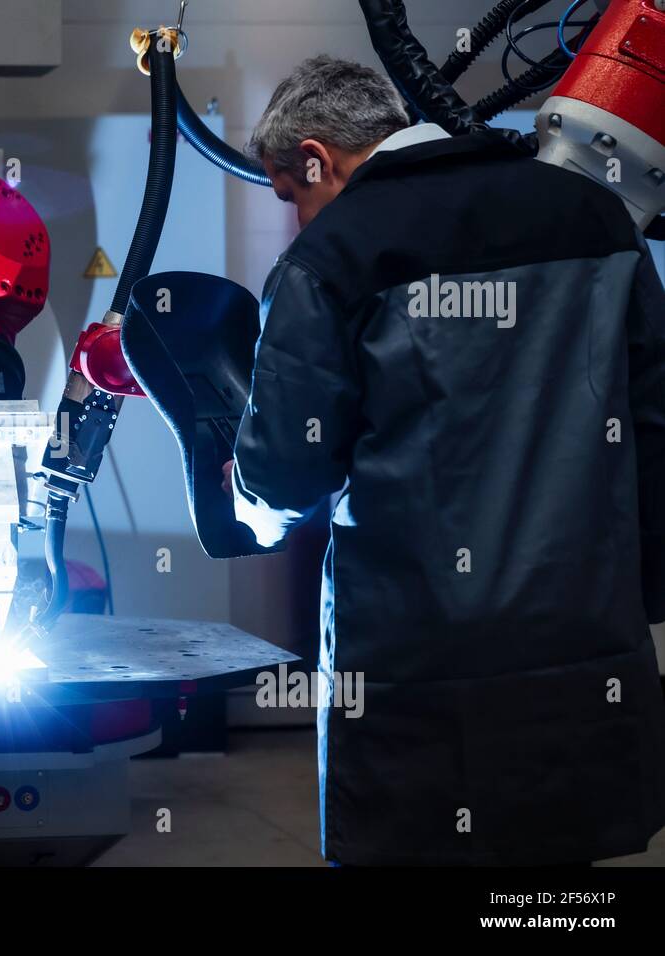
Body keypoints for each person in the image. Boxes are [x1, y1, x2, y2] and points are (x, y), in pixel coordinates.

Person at [223, 54, 665, 865]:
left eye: (293, 196)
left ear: (317, 158)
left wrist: (245, 496)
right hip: (584, 636)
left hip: (418, 657)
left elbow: (288, 471)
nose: (298, 220)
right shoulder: (595, 219)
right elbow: (655, 423)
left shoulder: (331, 261)